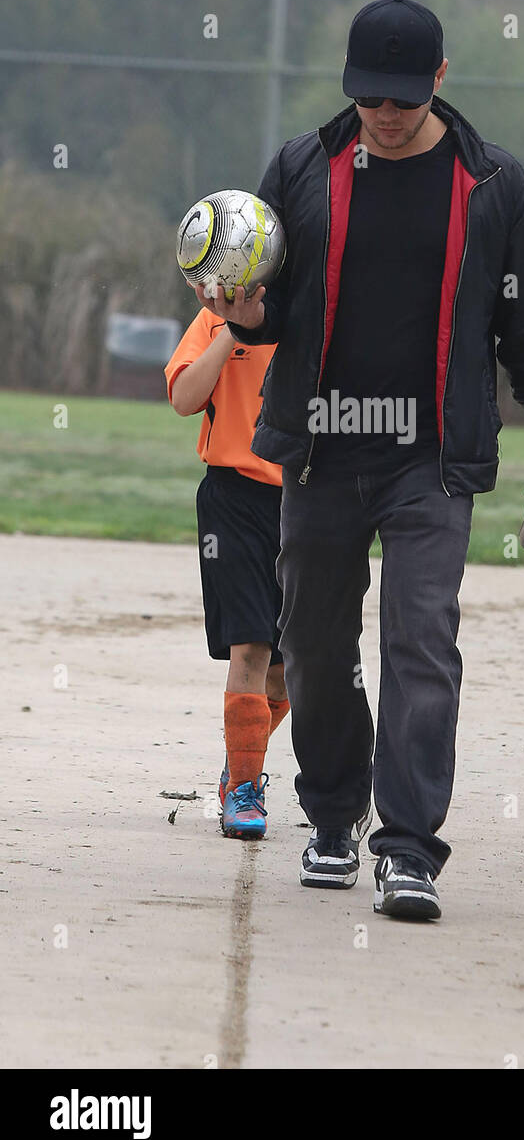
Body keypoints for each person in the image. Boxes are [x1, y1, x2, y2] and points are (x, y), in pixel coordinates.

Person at [194, 0, 524, 918]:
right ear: (351, 85)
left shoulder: (495, 187)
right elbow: (276, 308)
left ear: (440, 83)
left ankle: (408, 847)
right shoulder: (302, 168)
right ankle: (335, 814)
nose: (386, 113)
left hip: (433, 460)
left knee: (423, 644)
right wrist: (247, 315)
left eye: (404, 99)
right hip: (322, 452)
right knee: (318, 647)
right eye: (370, 96)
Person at [164, 308, 289, 839]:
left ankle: (240, 759)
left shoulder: (312, 310)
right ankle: (245, 787)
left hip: (305, 500)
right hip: (232, 497)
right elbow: (184, 398)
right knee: (252, 647)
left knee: (292, 666)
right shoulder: (214, 320)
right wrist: (233, 332)